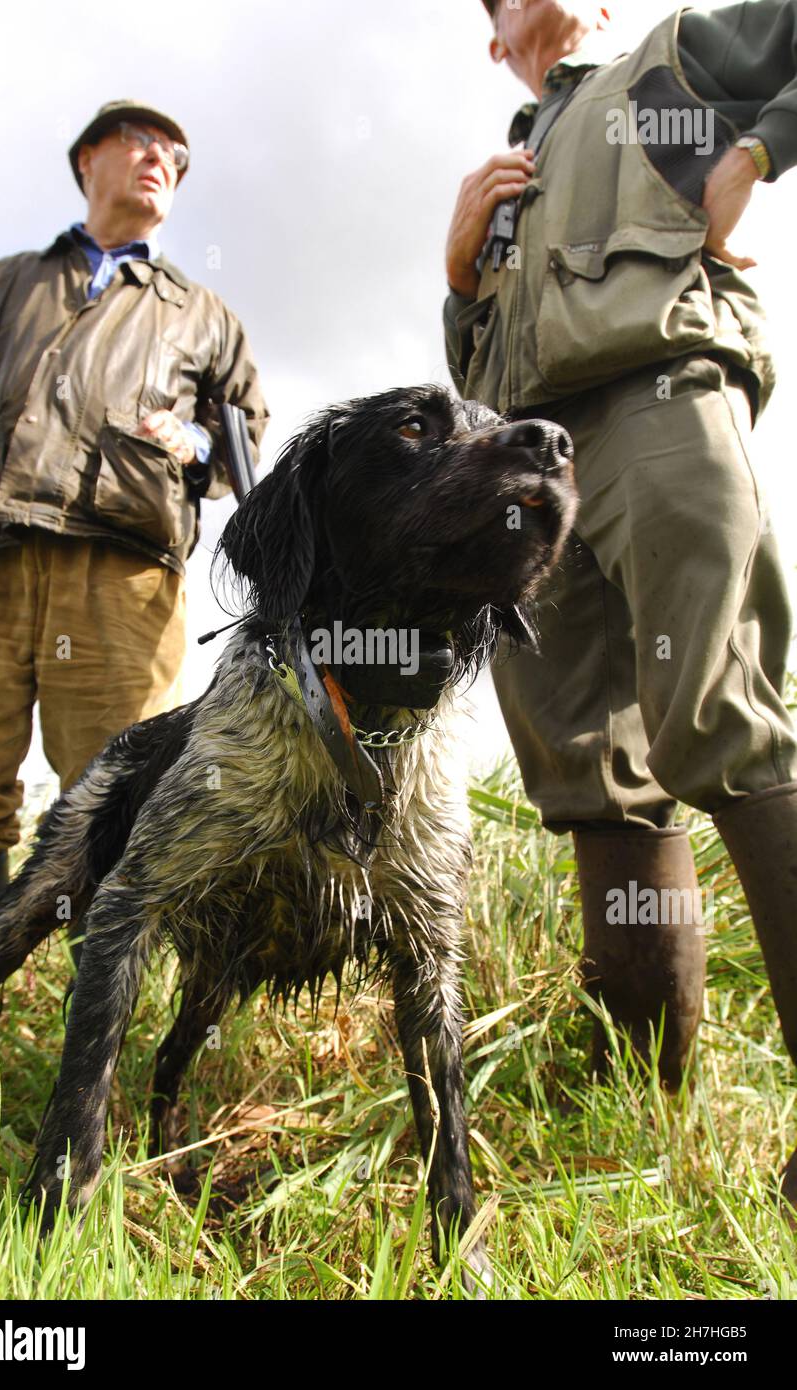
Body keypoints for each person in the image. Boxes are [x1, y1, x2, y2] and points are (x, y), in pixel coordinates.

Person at [445, 1, 797, 1201]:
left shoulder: (662, 66)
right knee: (587, 766)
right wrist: (456, 266)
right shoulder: (505, 167)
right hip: (526, 471)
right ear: (494, 45)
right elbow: (476, 367)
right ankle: (641, 1112)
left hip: (655, 403)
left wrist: (752, 150)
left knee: (722, 721)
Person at [0, 100, 269, 983]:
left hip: (123, 573)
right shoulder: (7, 282)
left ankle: (101, 1008)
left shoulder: (201, 312)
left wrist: (192, 445)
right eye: (143, 144)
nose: (163, 161)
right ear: (89, 160)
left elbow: (244, 434)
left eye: (177, 156)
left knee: (116, 790)